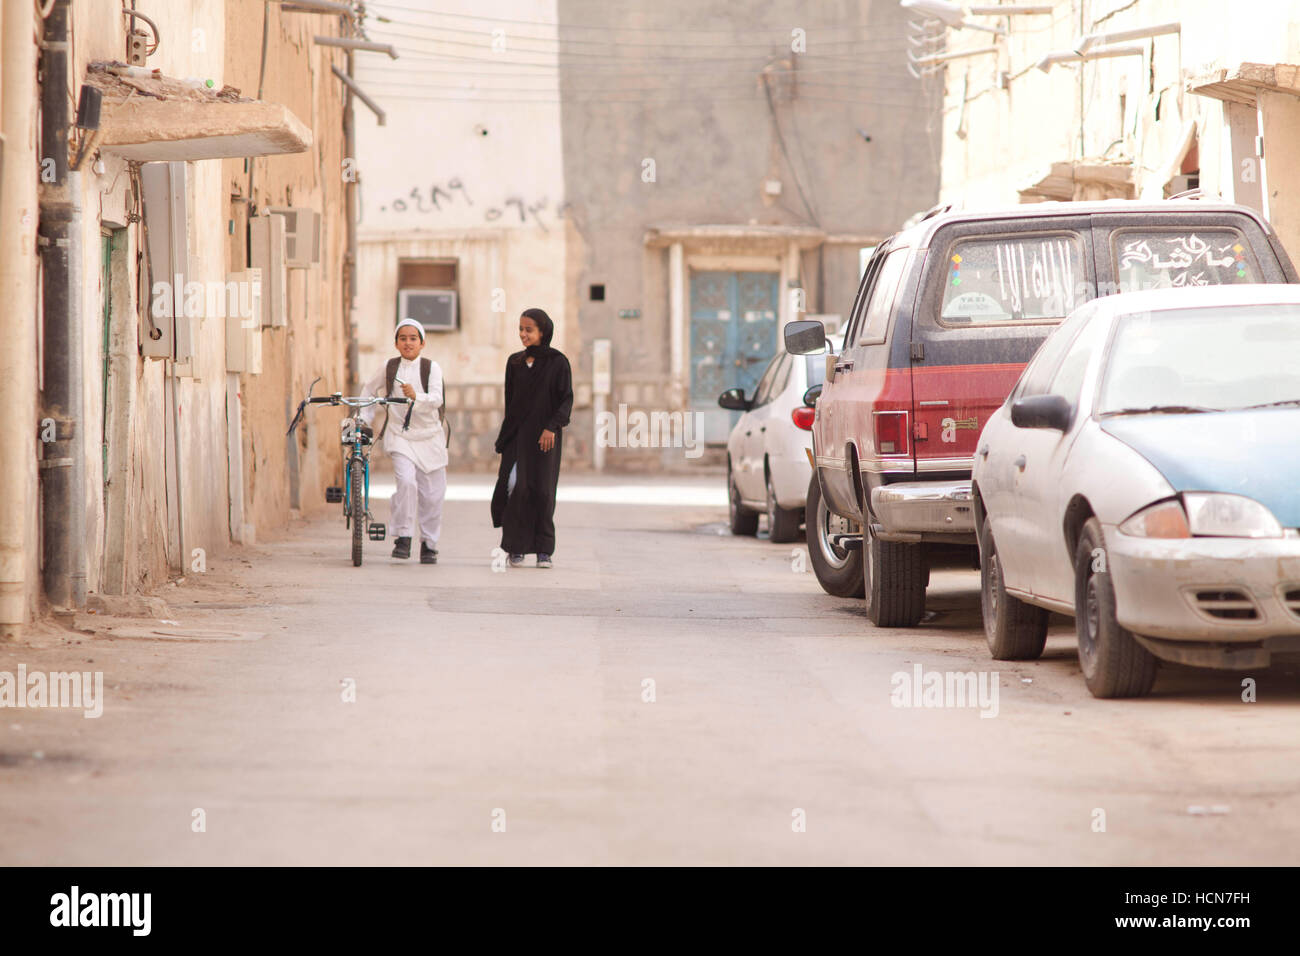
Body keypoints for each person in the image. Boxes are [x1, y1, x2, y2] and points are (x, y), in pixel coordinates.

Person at [359, 318, 447, 565]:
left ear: (422, 343)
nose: (408, 343)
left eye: (413, 338)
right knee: (406, 482)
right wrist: (363, 419)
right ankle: (403, 536)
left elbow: (437, 399)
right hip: (400, 436)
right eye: (403, 338)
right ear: (396, 342)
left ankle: (429, 544)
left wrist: (416, 396)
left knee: (432, 494)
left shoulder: (431, 368)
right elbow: (368, 391)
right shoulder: (388, 367)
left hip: (430, 438)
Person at [491, 308, 573, 568]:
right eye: (521, 329)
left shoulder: (558, 362)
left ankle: (543, 550)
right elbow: (510, 401)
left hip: (545, 438)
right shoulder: (514, 362)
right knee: (516, 487)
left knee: (542, 491)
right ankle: (515, 546)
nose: (523, 334)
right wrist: (506, 435)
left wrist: (552, 427)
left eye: (529, 330)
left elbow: (565, 399)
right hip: (517, 438)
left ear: (543, 332)